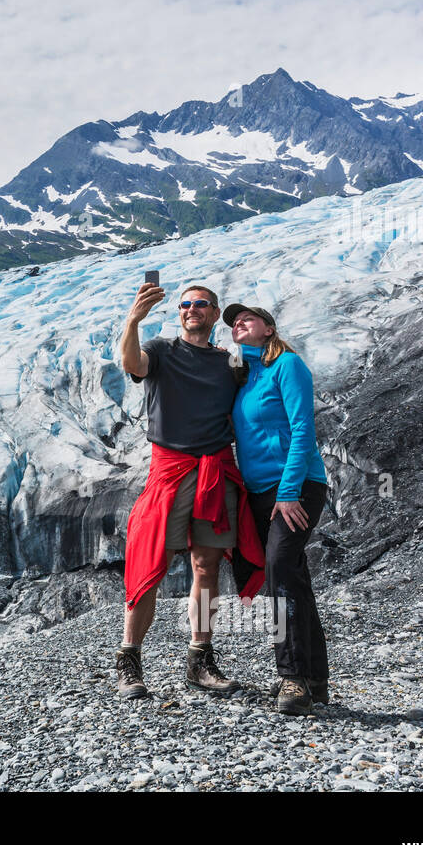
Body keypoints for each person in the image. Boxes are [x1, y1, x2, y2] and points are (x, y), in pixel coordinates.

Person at [116, 282, 266, 700]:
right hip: (170, 471)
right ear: (178, 313)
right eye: (185, 305)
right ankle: (129, 660)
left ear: (215, 314)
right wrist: (133, 319)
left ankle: (200, 658)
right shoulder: (161, 350)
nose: (191, 309)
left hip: (216, 470)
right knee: (150, 564)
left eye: (201, 304)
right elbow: (132, 362)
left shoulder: (226, 364)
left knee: (206, 567)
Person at [224, 303, 331, 716]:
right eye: (234, 320)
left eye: (247, 319)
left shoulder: (288, 365)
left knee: (279, 570)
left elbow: (304, 427)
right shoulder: (246, 377)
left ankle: (291, 677)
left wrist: (288, 491)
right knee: (293, 578)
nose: (238, 323)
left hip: (297, 487)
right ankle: (316, 679)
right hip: (259, 492)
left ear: (269, 329)